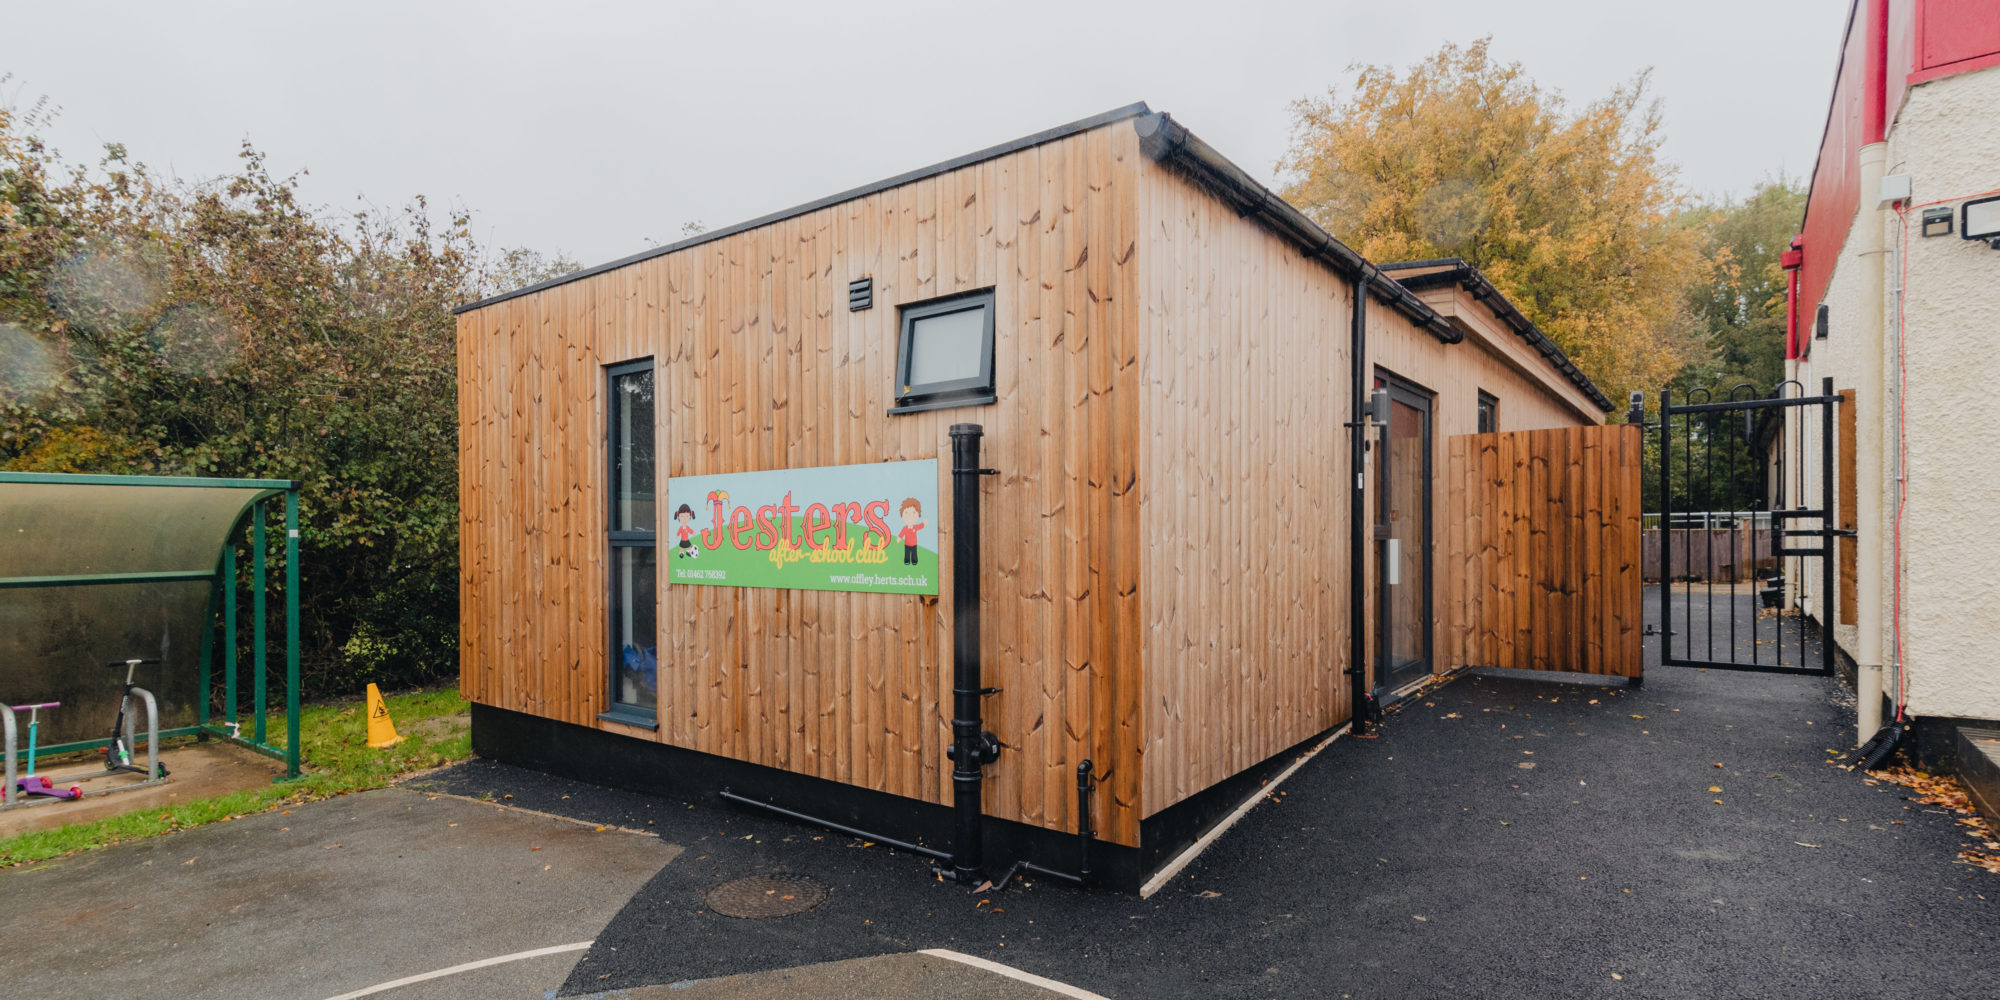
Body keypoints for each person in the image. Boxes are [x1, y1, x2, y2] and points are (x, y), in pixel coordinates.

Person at [897, 498, 926, 566]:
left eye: (913, 513)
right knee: (907, 553)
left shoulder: (915, 527)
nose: (910, 516)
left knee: (914, 553)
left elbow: (920, 526)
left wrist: (924, 523)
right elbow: (901, 533)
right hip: (907, 544)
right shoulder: (905, 528)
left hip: (914, 544)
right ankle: (907, 561)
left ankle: (914, 561)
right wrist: (899, 538)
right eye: (906, 513)